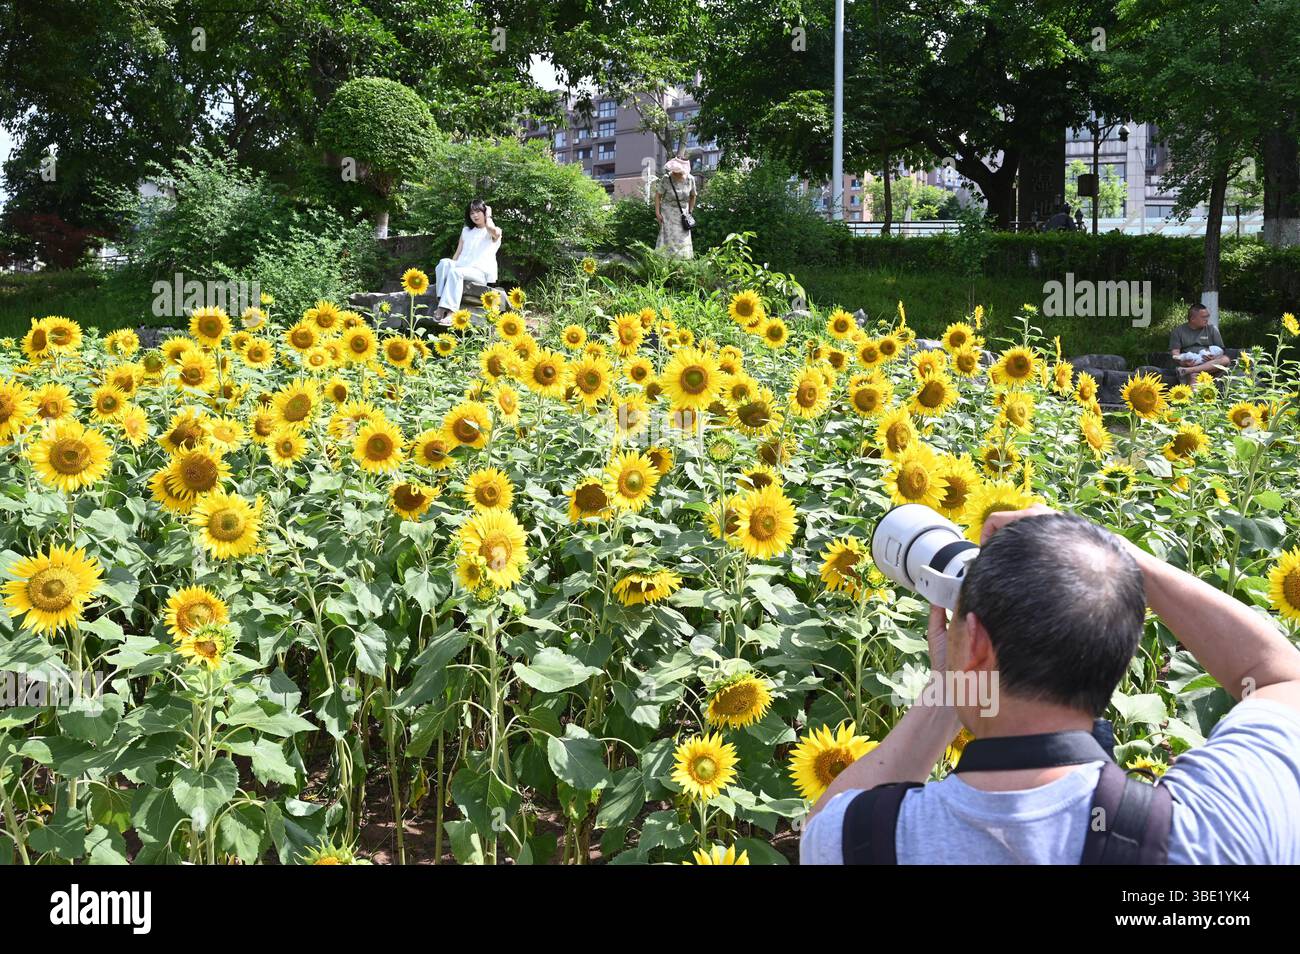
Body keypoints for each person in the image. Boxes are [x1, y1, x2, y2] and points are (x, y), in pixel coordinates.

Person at [800, 506, 1300, 864]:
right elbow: (1282, 677)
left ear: (974, 645)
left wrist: (954, 689)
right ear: (1118, 651)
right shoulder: (1216, 833)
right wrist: (1113, 557)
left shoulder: (862, 840)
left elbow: (818, 828)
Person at [433, 199, 501, 321]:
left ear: (484, 212)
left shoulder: (493, 231)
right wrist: (450, 267)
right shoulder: (466, 231)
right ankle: (441, 304)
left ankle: (451, 312)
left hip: (480, 273)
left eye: (478, 211)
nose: (474, 215)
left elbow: (492, 229)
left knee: (455, 272)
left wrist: (489, 215)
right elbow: (458, 253)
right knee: (444, 263)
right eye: (471, 213)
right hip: (462, 268)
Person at [1170, 303, 1231, 382]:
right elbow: (1175, 353)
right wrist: (1183, 362)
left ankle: (1190, 370)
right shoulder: (1178, 331)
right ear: (1192, 319)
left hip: (1210, 363)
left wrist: (1214, 357)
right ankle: (1190, 370)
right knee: (1193, 377)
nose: (1207, 319)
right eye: (1203, 317)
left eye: (1207, 316)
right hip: (1191, 362)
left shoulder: (1212, 329)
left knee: (1225, 359)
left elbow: (1221, 350)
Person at [654, 156, 697, 259]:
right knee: (668, 240)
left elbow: (693, 195)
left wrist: (690, 211)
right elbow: (658, 195)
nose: (674, 171)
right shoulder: (666, 178)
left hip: (683, 215)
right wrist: (657, 213)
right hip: (668, 214)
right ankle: (666, 265)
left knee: (683, 240)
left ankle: (682, 264)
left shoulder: (690, 179)